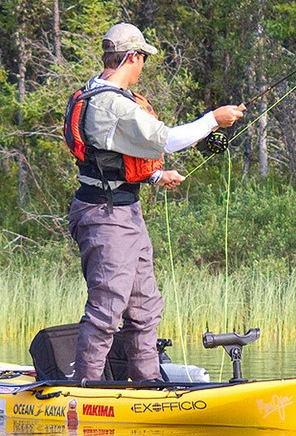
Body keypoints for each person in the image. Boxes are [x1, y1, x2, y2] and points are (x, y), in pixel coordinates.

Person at [64, 22, 245, 382]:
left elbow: (110, 157)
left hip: (126, 211)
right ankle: (84, 387)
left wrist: (153, 176)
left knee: (144, 306)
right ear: (131, 56)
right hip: (104, 214)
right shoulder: (108, 104)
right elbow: (167, 140)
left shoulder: (105, 98)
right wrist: (214, 119)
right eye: (143, 58)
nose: (143, 66)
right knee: (107, 307)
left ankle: (149, 383)